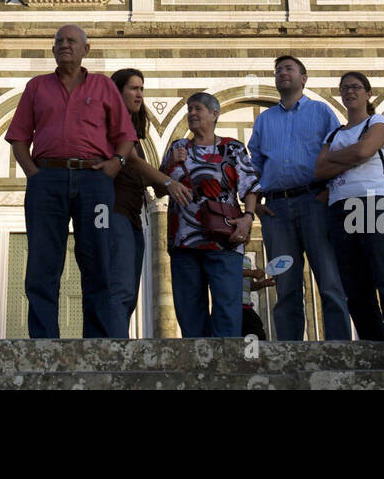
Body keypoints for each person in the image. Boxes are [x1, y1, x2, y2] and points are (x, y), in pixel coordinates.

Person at [6, 24, 135, 338]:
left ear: (86, 49)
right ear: (52, 50)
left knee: (98, 257)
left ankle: (97, 339)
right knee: (43, 259)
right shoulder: (37, 86)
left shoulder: (104, 86)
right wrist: (34, 175)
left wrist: (116, 164)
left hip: (95, 183)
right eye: (59, 41)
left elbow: (126, 135)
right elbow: (19, 138)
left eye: (72, 41)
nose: (65, 45)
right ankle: (44, 340)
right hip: (47, 181)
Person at [247, 55, 350, 340]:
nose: (282, 73)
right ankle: (289, 348)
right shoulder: (265, 119)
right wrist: (255, 205)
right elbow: (254, 165)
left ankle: (339, 346)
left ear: (303, 78)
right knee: (286, 285)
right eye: (278, 70)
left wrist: (327, 192)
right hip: (276, 209)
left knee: (329, 280)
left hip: (314, 201)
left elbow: (337, 152)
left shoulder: (321, 111)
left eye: (289, 68)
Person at [315, 72, 384, 341]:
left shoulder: (376, 122)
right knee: (355, 284)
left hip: (374, 202)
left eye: (355, 87)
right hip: (340, 206)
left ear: (368, 93)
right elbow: (320, 169)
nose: (349, 91)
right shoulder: (335, 133)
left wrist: (341, 158)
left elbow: (364, 151)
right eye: (344, 88)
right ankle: (374, 344)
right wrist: (355, 154)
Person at [161, 93, 261, 337]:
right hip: (184, 240)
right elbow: (158, 187)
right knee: (189, 311)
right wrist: (169, 163)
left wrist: (248, 217)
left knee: (227, 308)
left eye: (198, 109)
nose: (192, 114)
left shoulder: (232, 148)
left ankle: (228, 358)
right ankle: (198, 358)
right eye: (189, 109)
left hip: (224, 239)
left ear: (214, 114)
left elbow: (250, 186)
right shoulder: (178, 147)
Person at [108, 68, 193, 336]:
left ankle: (118, 341)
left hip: (134, 216)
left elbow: (146, 180)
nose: (139, 94)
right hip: (114, 211)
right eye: (133, 88)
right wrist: (169, 181)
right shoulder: (110, 124)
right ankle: (114, 345)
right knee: (120, 287)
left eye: (142, 89)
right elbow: (132, 161)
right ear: (117, 91)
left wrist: (168, 168)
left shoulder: (134, 133)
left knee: (129, 291)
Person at [241, 258, 273, 339]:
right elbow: (229, 272)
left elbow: (250, 285)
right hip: (230, 308)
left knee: (258, 335)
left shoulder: (246, 260)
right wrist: (251, 273)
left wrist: (261, 284)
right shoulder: (226, 255)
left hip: (246, 308)